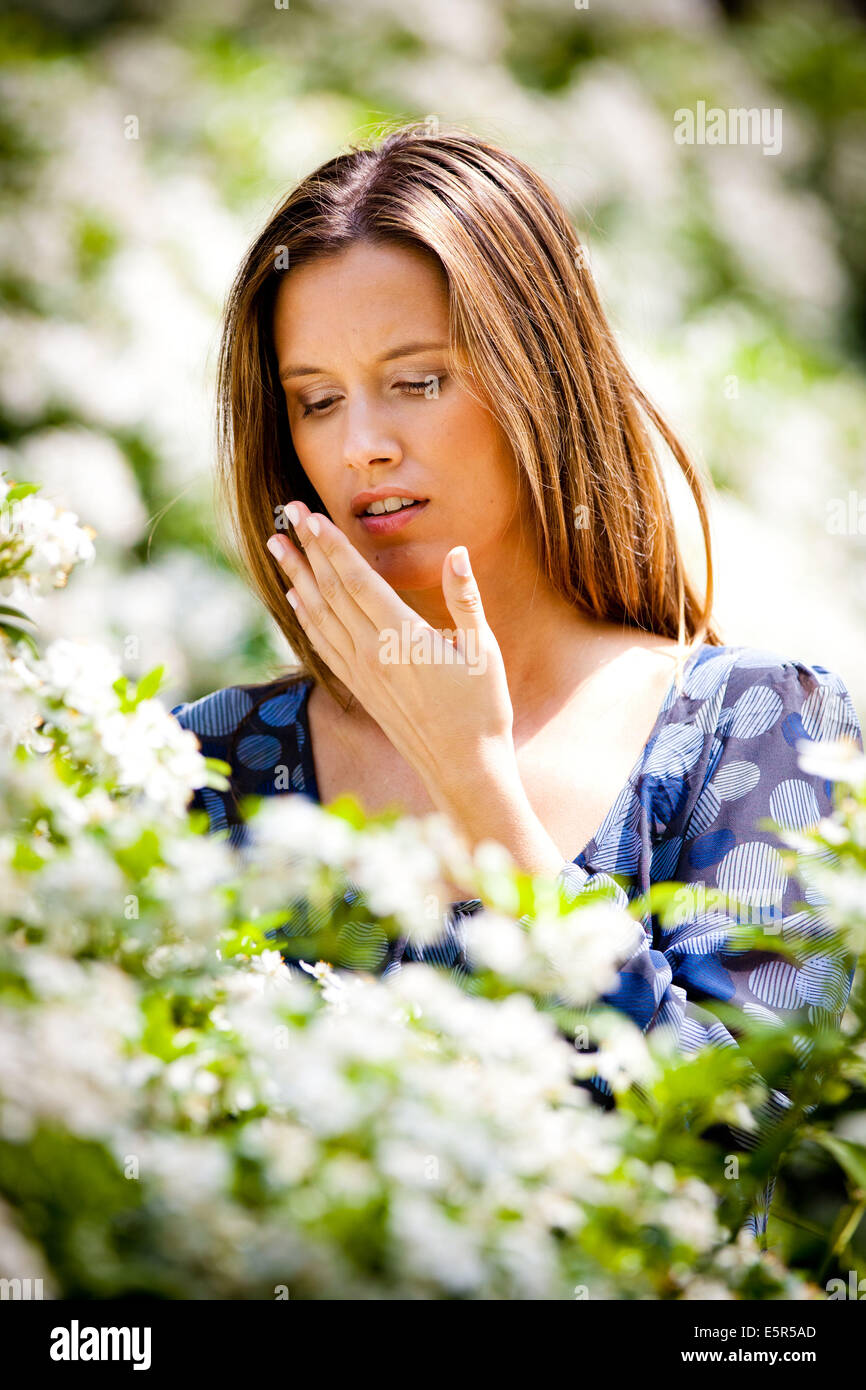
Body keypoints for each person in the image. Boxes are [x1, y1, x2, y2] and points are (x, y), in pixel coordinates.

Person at [170, 123, 863, 1235]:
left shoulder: (758, 728)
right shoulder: (205, 759)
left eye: (417, 380)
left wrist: (474, 782)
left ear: (538, 373)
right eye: (316, 399)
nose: (361, 446)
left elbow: (753, 1169)